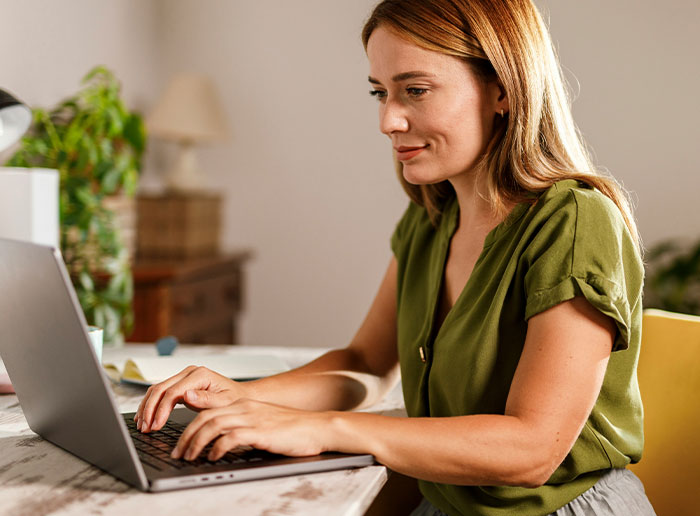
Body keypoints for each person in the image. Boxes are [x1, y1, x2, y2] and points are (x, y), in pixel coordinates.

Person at [135, 1, 656, 514]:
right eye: (380, 93)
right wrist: (242, 398)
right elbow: (364, 362)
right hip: (448, 499)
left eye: (415, 90)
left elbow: (531, 450)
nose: (388, 120)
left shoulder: (574, 221)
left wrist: (321, 428)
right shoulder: (432, 218)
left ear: (502, 89)